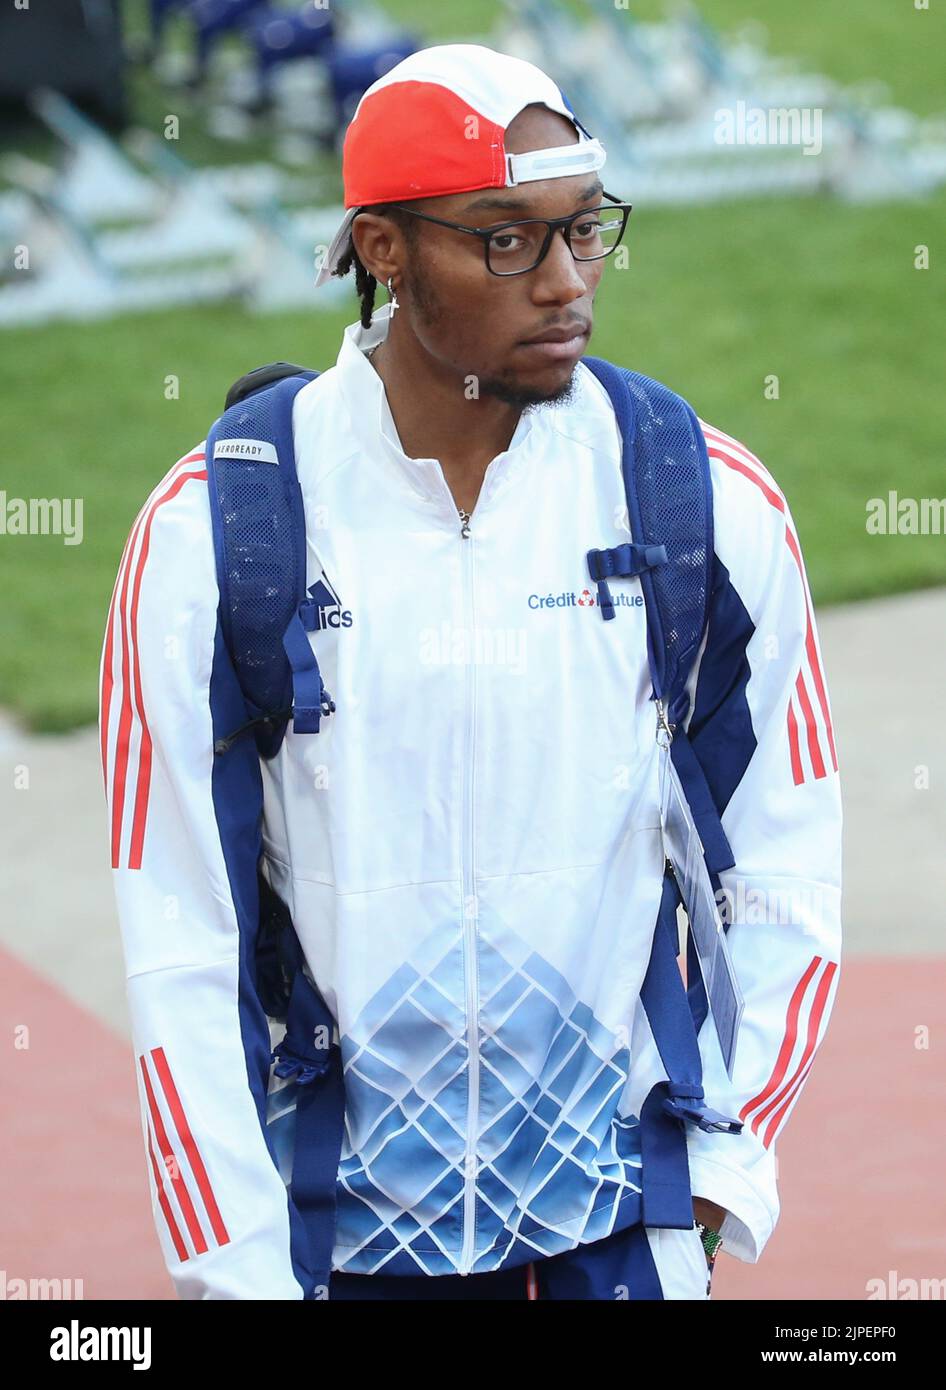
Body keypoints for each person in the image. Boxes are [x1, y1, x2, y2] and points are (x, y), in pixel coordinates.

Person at [99, 43, 842, 1301]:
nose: (565, 285)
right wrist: (235, 1268)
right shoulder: (210, 533)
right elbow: (178, 927)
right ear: (382, 251)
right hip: (329, 1240)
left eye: (582, 232)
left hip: (623, 1231)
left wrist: (727, 1164)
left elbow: (781, 861)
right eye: (503, 240)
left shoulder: (704, 502)